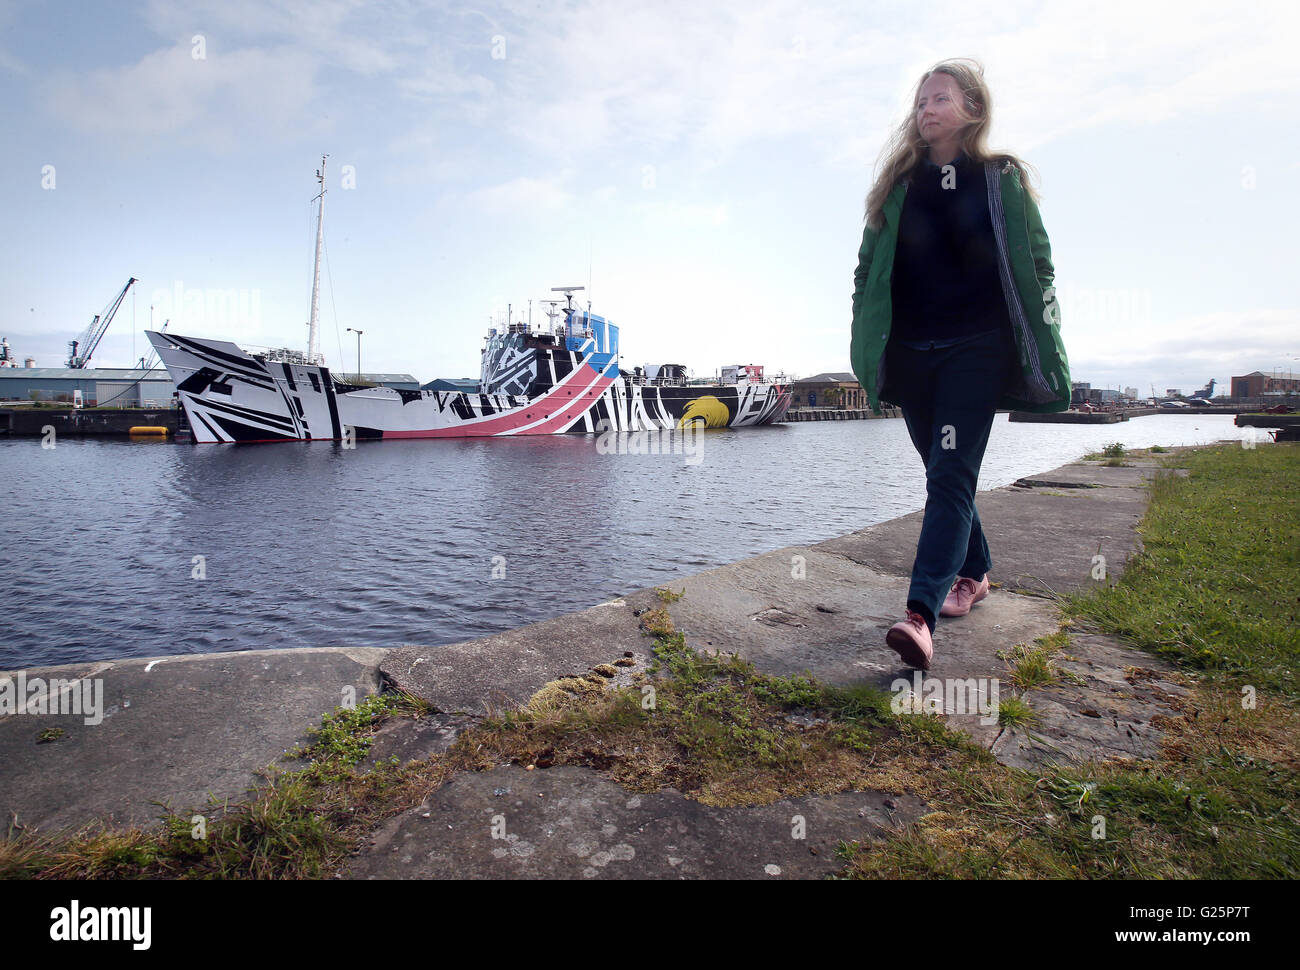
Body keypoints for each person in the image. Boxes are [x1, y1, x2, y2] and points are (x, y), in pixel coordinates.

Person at [849, 58, 1071, 670]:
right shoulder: (898, 186)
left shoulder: (1000, 178)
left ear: (972, 108)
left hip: (977, 348)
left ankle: (918, 617)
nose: (925, 110)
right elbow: (867, 266)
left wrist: (1043, 320)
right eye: (920, 101)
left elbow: (1038, 260)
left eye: (939, 99)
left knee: (949, 475)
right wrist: (861, 324)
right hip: (912, 352)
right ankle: (975, 570)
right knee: (945, 472)